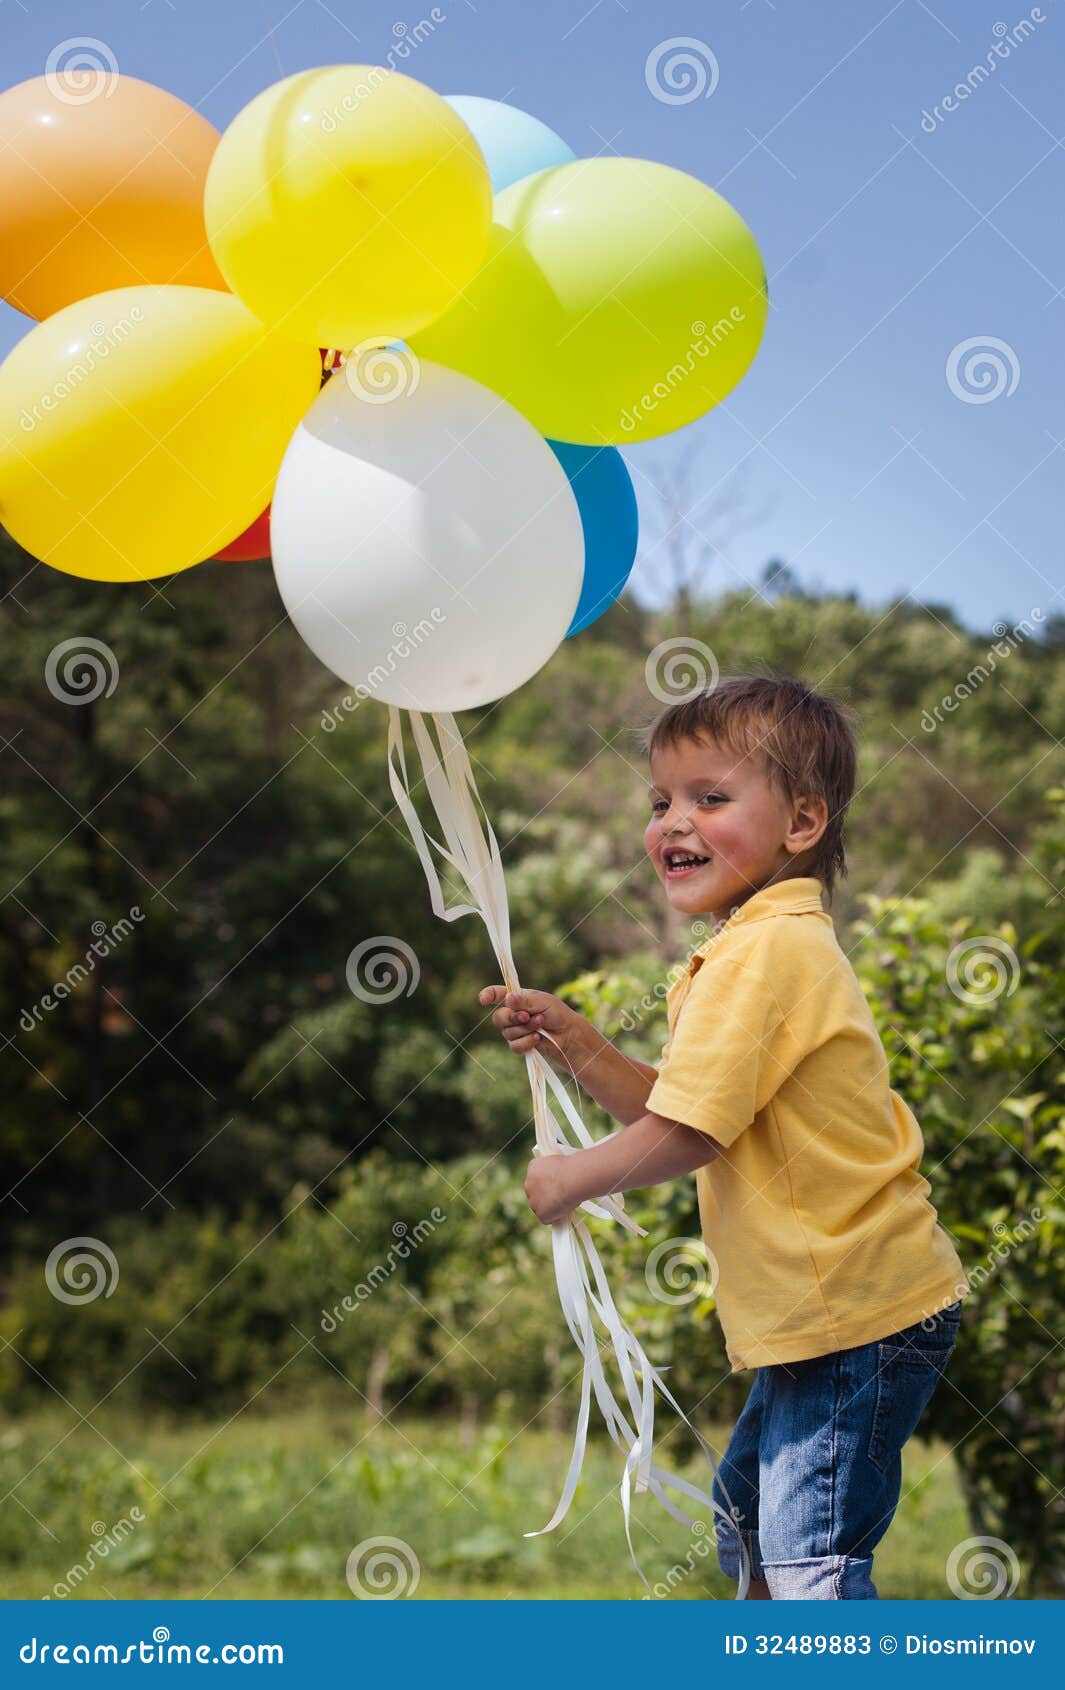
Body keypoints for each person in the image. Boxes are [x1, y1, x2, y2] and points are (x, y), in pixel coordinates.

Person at [479, 673, 967, 1600]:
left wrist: (569, 1178)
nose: (672, 823)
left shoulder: (765, 952)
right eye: (661, 800)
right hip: (837, 1315)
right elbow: (694, 1106)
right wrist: (577, 1042)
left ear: (802, 823)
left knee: (804, 1559)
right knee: (749, 1521)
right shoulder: (753, 946)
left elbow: (689, 1135)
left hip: (855, 1313)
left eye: (710, 798)